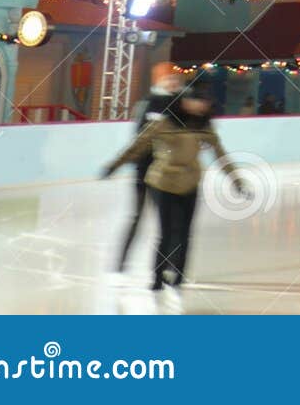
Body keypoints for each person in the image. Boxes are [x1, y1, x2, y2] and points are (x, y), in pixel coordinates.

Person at [101, 83, 243, 292]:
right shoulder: (164, 123)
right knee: (166, 232)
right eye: (199, 102)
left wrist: (236, 180)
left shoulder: (204, 126)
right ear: (186, 102)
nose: (203, 106)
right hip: (163, 182)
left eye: (205, 103)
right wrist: (114, 165)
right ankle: (157, 277)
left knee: (185, 232)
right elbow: (137, 146)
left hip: (190, 183)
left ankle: (179, 275)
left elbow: (220, 154)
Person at [115, 62, 185, 273]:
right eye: (169, 79)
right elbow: (140, 137)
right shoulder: (147, 103)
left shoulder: (179, 105)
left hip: (165, 173)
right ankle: (121, 263)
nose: (173, 82)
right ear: (159, 80)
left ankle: (170, 264)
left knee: (169, 220)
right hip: (145, 171)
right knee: (138, 217)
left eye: (175, 79)